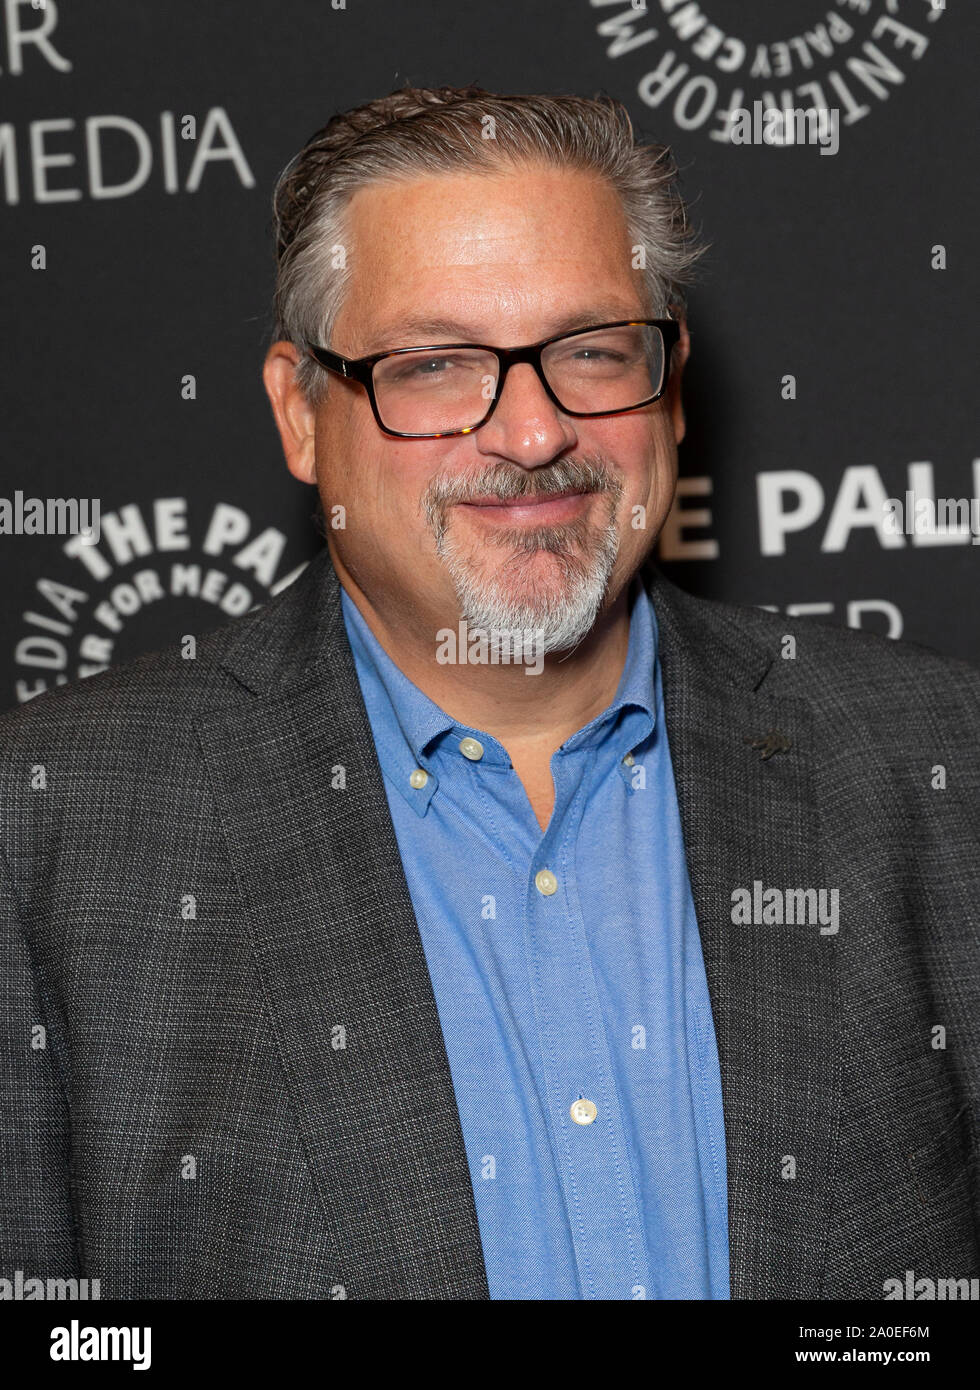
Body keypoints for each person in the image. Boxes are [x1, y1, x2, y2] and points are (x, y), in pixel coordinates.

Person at [1, 85, 977, 1302]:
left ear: (667, 388)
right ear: (300, 413)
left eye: (588, 352)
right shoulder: (48, 833)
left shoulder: (938, 769)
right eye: (436, 364)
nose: (528, 432)